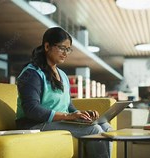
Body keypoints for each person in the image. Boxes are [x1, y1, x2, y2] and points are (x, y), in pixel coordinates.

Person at [15, 27, 112, 158]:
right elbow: (32, 110)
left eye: (68, 49)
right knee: (93, 130)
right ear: (47, 46)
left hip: (55, 122)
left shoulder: (63, 75)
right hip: (33, 124)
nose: (65, 53)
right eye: (62, 48)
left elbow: (68, 105)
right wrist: (68, 117)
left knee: (105, 126)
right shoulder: (32, 73)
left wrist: (79, 114)